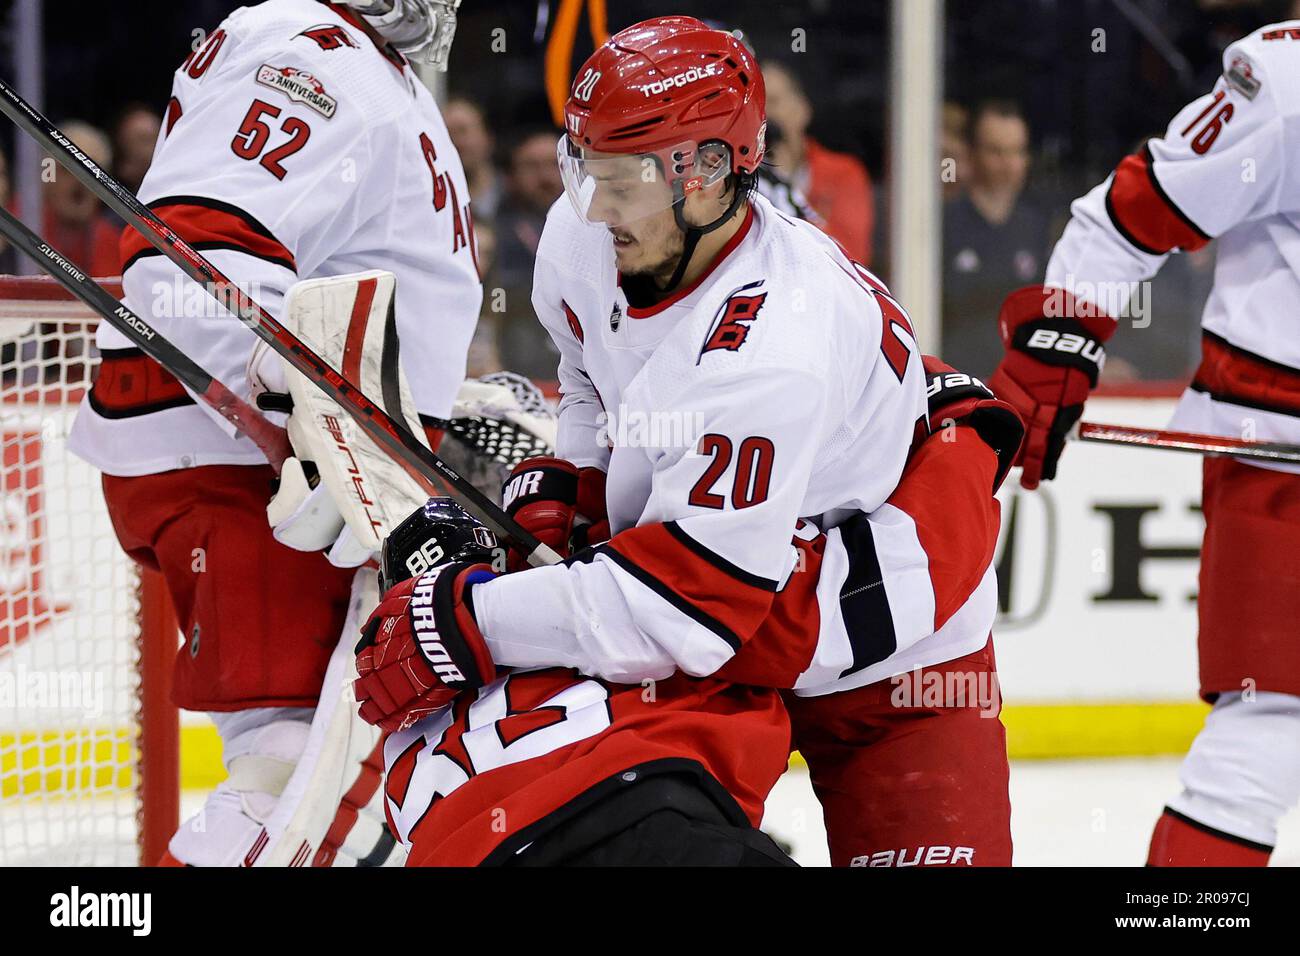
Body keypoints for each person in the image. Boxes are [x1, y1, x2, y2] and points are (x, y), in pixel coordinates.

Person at [355, 16, 1021, 867]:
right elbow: (590, 367)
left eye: (621, 178)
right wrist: (575, 474)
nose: (592, 205)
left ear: (708, 173)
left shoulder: (771, 350)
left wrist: (466, 621)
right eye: (583, 166)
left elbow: (677, 617)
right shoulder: (586, 231)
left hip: (874, 627)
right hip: (720, 576)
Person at [67, 0, 480, 866]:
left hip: (289, 455)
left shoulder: (361, 61)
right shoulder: (311, 49)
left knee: (302, 777)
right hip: (256, 462)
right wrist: (316, 420)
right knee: (292, 791)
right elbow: (190, 260)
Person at [987, 19, 1300, 866]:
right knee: (1269, 727)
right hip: (1280, 464)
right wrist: (1064, 337)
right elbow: (1130, 214)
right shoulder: (1286, 84)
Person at [943, 100, 1053, 378]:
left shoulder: (1042, 228)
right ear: (971, 154)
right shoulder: (942, 225)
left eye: (1017, 152)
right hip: (957, 388)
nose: (1008, 164)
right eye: (996, 151)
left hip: (1022, 388)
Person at [762, 58, 875, 265]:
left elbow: (852, 258)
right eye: (757, 104)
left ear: (802, 109)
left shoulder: (844, 173)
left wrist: (783, 179)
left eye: (774, 102)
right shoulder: (742, 178)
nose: (765, 114)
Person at [491, 126, 565, 379]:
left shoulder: (602, 229)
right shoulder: (494, 235)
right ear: (512, 176)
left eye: (552, 164)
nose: (545, 176)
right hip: (517, 368)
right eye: (531, 166)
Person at [42, 120, 121, 277]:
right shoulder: (19, 226)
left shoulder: (112, 242)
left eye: (90, 173)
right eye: (67, 169)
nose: (79, 181)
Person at [443, 95, 502, 222]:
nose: (456, 142)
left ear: (488, 138)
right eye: (447, 133)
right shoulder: (431, 200)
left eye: (462, 131)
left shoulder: (514, 194)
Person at [110, 103, 163, 196]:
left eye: (156, 139)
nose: (153, 148)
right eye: (144, 139)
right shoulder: (104, 184)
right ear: (122, 141)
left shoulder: (165, 187)